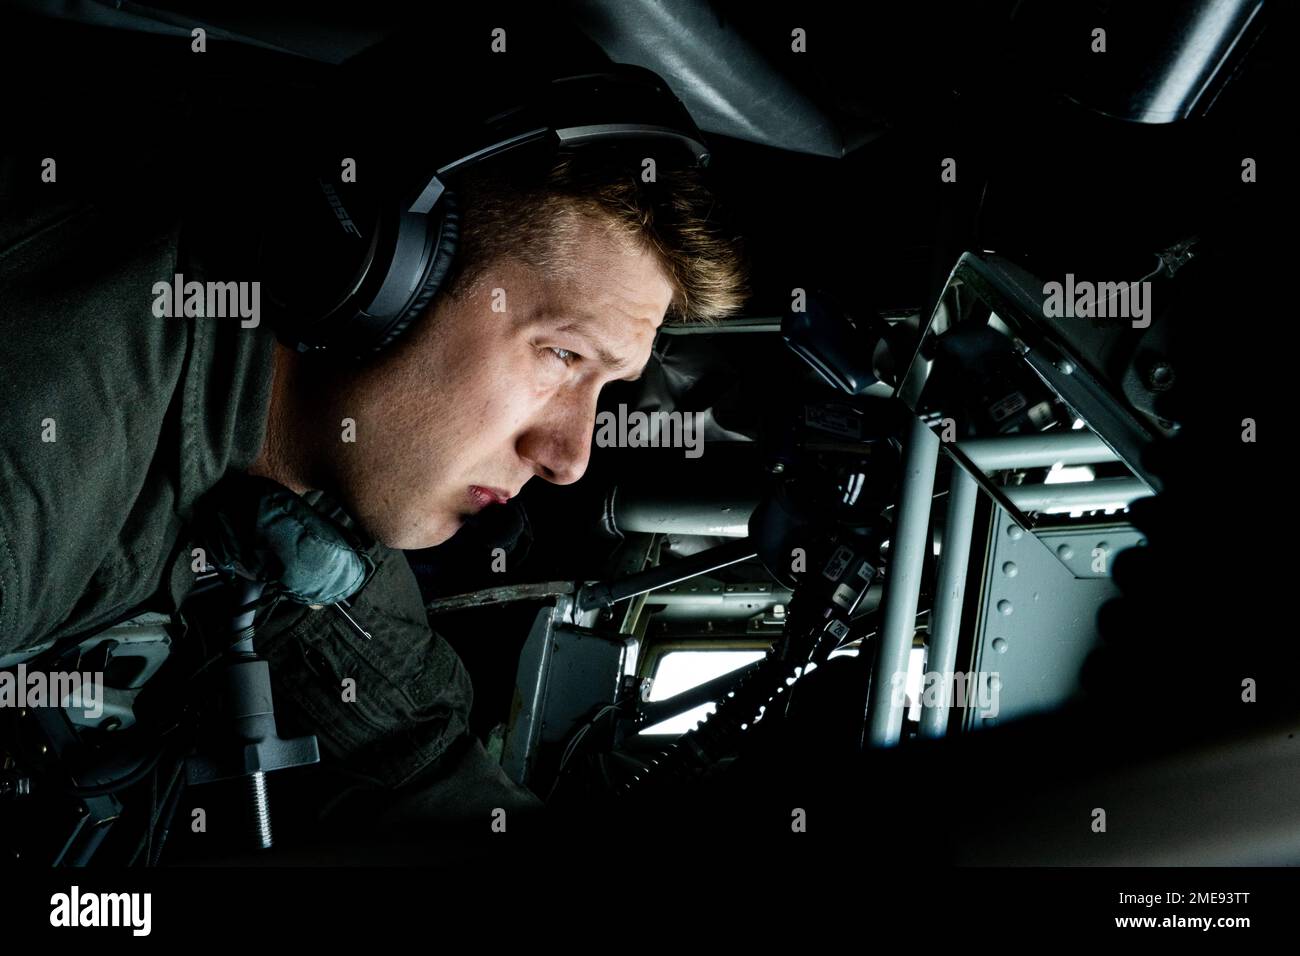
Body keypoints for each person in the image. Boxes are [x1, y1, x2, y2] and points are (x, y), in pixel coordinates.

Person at [0, 107, 746, 843]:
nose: (570, 457)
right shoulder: (33, 460)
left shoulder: (300, 472)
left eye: (605, 390)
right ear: (380, 274)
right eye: (562, 357)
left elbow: (402, 746)